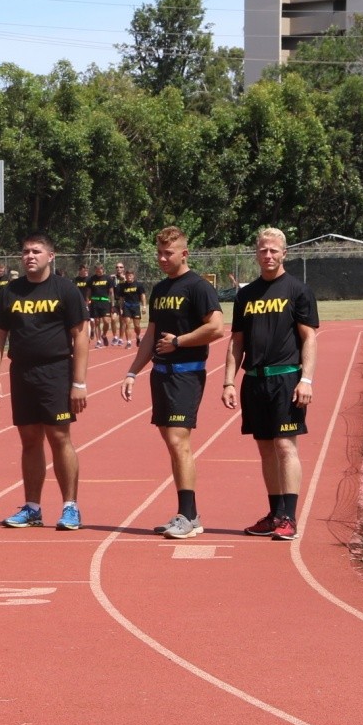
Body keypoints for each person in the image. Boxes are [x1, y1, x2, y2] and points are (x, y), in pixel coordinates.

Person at [122, 226, 223, 539]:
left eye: (169, 253)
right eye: (160, 253)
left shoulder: (198, 287)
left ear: (184, 253)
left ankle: (190, 516)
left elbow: (217, 328)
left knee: (180, 442)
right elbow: (151, 335)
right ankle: (186, 513)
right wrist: (132, 371)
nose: (163, 258)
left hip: (187, 373)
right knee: (172, 443)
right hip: (161, 374)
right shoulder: (161, 289)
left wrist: (179, 341)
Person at [0, 232, 90, 531]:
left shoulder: (65, 290)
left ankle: (70, 507)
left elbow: (80, 335)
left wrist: (79, 382)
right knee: (29, 440)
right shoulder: (10, 291)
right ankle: (32, 508)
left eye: (35, 251)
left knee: (60, 438)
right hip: (22, 373)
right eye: (25, 251)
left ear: (50, 255)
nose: (29, 256)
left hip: (56, 371)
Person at [222, 226, 319, 542]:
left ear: (284, 253)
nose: (268, 255)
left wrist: (306, 379)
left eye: (274, 250)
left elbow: (309, 338)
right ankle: (275, 513)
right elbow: (237, 342)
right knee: (265, 449)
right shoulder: (245, 296)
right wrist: (228, 382)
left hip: (286, 379)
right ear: (256, 253)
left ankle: (289, 517)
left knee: (284, 446)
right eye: (263, 250)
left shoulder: (298, 290)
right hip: (255, 381)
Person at [117, 264, 145, 349]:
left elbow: (143, 296)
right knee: (127, 323)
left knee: (137, 326)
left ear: (133, 276)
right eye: (127, 275)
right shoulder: (123, 286)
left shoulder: (139, 285)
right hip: (127, 306)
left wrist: (143, 306)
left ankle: (137, 336)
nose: (129, 277)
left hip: (136, 306)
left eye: (130, 275)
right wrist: (121, 308)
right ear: (125, 276)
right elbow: (121, 298)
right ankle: (128, 341)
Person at [89, 264, 114, 347]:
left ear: (103, 270)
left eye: (99, 270)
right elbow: (88, 291)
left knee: (106, 321)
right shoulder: (91, 279)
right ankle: (98, 341)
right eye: (96, 270)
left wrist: (112, 304)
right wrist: (87, 300)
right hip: (95, 302)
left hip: (105, 302)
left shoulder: (108, 278)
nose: (98, 272)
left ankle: (104, 335)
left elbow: (111, 292)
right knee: (97, 322)